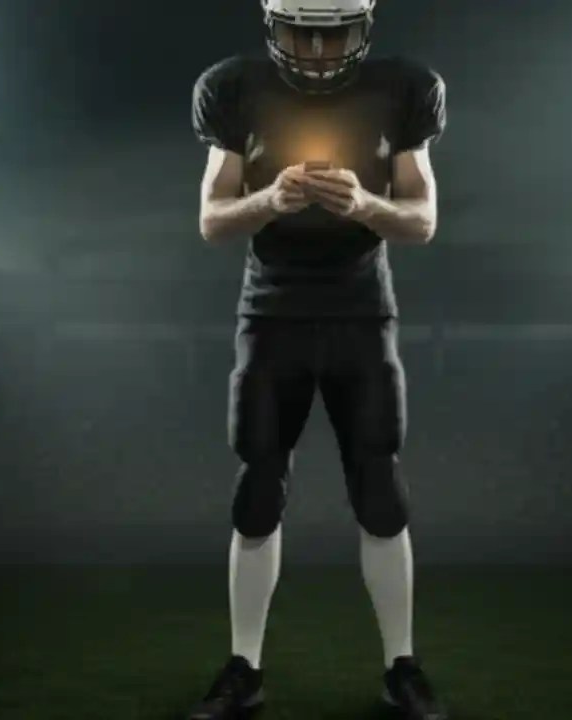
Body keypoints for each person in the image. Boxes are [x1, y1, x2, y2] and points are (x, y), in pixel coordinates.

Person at [186, 1, 449, 718]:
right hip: (272, 312)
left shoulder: (404, 86)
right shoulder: (233, 86)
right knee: (258, 490)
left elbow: (421, 218)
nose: (318, 45)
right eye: (303, 27)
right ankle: (244, 666)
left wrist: (365, 204)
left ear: (362, 23)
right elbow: (212, 218)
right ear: (273, 22)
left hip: (361, 312)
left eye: (333, 28)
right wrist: (271, 198)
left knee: (379, 491)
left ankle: (402, 665)